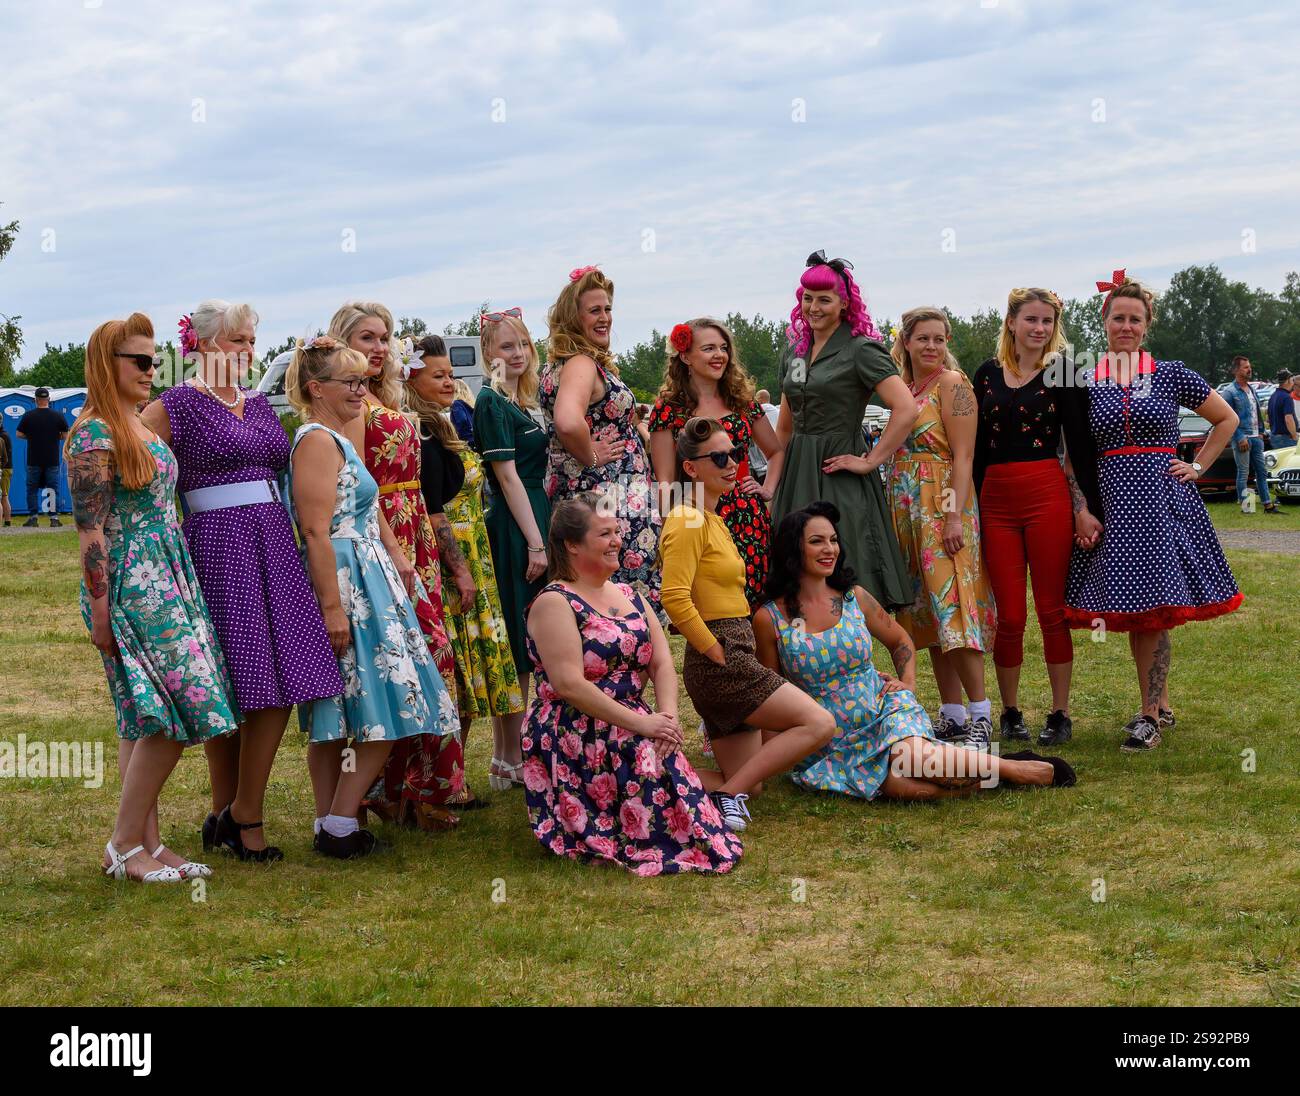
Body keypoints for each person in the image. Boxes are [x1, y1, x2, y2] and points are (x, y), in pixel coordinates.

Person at [140, 301, 343, 862]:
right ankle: (227, 812)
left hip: (273, 542)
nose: (248, 350)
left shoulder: (256, 402)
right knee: (231, 681)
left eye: (251, 340)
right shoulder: (175, 404)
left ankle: (243, 810)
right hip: (216, 546)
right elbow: (126, 456)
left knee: (278, 680)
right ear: (204, 346)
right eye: (236, 341)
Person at [68, 312, 238, 883]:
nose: (151, 369)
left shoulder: (137, 423)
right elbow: (91, 532)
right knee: (178, 705)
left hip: (169, 575)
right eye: (140, 361)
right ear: (107, 364)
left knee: (141, 718)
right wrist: (100, 612)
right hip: (133, 584)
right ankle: (122, 845)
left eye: (154, 359)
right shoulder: (93, 433)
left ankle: (147, 844)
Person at [754, 503, 1074, 798]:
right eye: (817, 541)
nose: (829, 549)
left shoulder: (854, 598)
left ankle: (1020, 769)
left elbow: (900, 641)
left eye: (833, 540)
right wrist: (771, 756)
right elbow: (771, 693)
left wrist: (907, 682)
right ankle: (991, 770)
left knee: (912, 759)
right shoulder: (770, 619)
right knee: (904, 787)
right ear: (793, 549)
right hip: (831, 739)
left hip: (883, 712)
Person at [285, 336, 459, 858]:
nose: (362, 390)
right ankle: (340, 820)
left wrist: (398, 557)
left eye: (363, 381)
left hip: (368, 571)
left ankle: (332, 824)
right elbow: (315, 531)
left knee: (346, 707)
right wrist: (332, 608)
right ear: (317, 388)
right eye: (351, 382)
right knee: (385, 700)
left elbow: (368, 505)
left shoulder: (336, 437)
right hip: (347, 578)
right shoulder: (316, 442)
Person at [1065, 272, 1242, 751]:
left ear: (1147, 325)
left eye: (1135, 319)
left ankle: (1148, 715)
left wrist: (1197, 466)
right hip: (1114, 502)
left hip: (1162, 502)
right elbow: (1072, 455)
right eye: (1118, 318)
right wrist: (1081, 507)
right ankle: (1158, 703)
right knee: (1134, 606)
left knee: (1156, 607)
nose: (1126, 326)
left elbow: (1226, 419)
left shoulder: (1170, 373)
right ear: (1105, 321)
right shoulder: (1085, 381)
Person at [521, 494, 743, 874]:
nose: (617, 541)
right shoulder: (554, 602)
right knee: (649, 768)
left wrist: (667, 719)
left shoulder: (629, 594)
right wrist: (643, 724)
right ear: (572, 545)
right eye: (604, 534)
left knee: (667, 775)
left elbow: (661, 662)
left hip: (634, 719)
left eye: (617, 531)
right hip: (574, 726)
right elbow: (569, 684)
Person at [329, 301, 475, 828]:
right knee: (398, 661)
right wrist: (389, 549)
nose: (379, 347)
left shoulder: (383, 397)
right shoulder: (349, 407)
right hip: (381, 534)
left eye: (384, 337)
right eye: (366, 337)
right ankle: (384, 790)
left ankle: (411, 790)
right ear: (343, 342)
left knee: (425, 660)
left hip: (416, 532)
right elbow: (354, 486)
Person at [661, 417, 837, 833]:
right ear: (691, 468)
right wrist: (714, 650)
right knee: (819, 723)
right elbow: (674, 597)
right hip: (721, 655)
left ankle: (644, 777)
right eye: (719, 458)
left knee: (750, 782)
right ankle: (728, 796)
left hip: (730, 650)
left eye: (736, 455)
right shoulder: (687, 518)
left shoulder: (712, 518)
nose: (732, 464)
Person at [972, 288, 1104, 748]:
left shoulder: (1064, 372)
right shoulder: (986, 374)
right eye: (1031, 319)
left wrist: (1084, 508)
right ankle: (1010, 712)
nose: (1039, 328)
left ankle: (1060, 713)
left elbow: (1080, 448)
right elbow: (974, 449)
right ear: (1011, 321)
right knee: (1009, 616)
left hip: (1046, 494)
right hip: (995, 500)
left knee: (1051, 610)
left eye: (1047, 321)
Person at [769, 251, 916, 608]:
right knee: (795, 564)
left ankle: (850, 639)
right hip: (796, 472)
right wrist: (772, 485)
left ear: (844, 303)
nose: (813, 307)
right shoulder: (795, 353)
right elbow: (785, 428)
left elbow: (906, 409)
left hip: (838, 470)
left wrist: (870, 460)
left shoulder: (860, 350)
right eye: (808, 298)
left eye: (824, 299)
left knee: (845, 560)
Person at [886, 307, 997, 749]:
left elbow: (965, 456)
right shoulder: (904, 389)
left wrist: (953, 516)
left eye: (939, 338)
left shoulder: (953, 384)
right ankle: (951, 714)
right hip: (906, 506)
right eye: (923, 338)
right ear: (906, 342)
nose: (931, 346)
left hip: (942, 503)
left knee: (953, 607)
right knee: (927, 612)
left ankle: (981, 716)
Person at [406, 334, 525, 741]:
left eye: (450, 374)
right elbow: (433, 509)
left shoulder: (442, 425)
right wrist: (460, 570)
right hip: (452, 557)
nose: (448, 383)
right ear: (412, 380)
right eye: (437, 376)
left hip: (475, 548)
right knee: (457, 666)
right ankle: (447, 764)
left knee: (468, 671)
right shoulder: (422, 433)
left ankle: (458, 762)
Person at [540, 266, 662, 618]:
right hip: (611, 497)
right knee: (623, 602)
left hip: (590, 496)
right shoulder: (581, 362)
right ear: (573, 317)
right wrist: (591, 455)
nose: (605, 317)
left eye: (607, 309)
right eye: (594, 310)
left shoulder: (560, 364)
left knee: (591, 599)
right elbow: (567, 420)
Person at [648, 317, 783, 607]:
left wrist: (767, 489)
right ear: (685, 356)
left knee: (753, 601)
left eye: (723, 348)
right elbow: (665, 479)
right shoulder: (667, 410)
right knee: (707, 604)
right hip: (696, 515)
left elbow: (776, 451)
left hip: (746, 515)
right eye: (709, 348)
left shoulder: (743, 402)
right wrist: (670, 529)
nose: (719, 355)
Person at [472, 309, 552, 791]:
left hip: (535, 510)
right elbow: (506, 477)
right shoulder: (490, 401)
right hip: (516, 522)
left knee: (528, 637)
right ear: (487, 352)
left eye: (522, 343)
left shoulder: (519, 398)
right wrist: (535, 541)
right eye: (506, 345)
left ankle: (509, 756)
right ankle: (511, 755)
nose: (518, 353)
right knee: (518, 641)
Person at [1223, 355, 1281, 514]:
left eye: (1249, 366)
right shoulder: (1229, 392)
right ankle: (1246, 507)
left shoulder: (1252, 389)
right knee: (1243, 473)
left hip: (1256, 437)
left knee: (1262, 472)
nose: (1250, 369)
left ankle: (1268, 505)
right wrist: (1239, 436)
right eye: (1246, 367)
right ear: (1236, 370)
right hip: (1242, 438)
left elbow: (1256, 413)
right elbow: (1226, 418)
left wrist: (1261, 432)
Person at [17, 386, 68, 527]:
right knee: (52, 489)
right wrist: (54, 437)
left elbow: (19, 434)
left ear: (36, 400)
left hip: (33, 459)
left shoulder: (28, 416)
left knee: (32, 489)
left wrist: (32, 437)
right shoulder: (58, 416)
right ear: (48, 400)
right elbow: (65, 435)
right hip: (52, 459)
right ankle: (54, 518)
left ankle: (33, 518)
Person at [1267, 371, 1298, 451]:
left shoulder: (1273, 396)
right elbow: (1288, 418)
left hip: (1274, 437)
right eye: (1292, 380)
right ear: (1288, 380)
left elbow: (1268, 418)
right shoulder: (1287, 397)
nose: (1293, 383)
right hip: (1286, 438)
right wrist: (1294, 435)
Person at [450, 378, 477, 447]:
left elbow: (462, 419)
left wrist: (457, 433)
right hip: (474, 439)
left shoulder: (456, 404)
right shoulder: (471, 404)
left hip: (465, 440)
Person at [1, 424, 12, 525]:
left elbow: (4, 458)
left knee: (4, 496)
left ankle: (7, 521)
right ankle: (7, 521)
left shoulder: (2, 436)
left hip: (4, 469)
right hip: (6, 469)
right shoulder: (4, 434)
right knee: (4, 496)